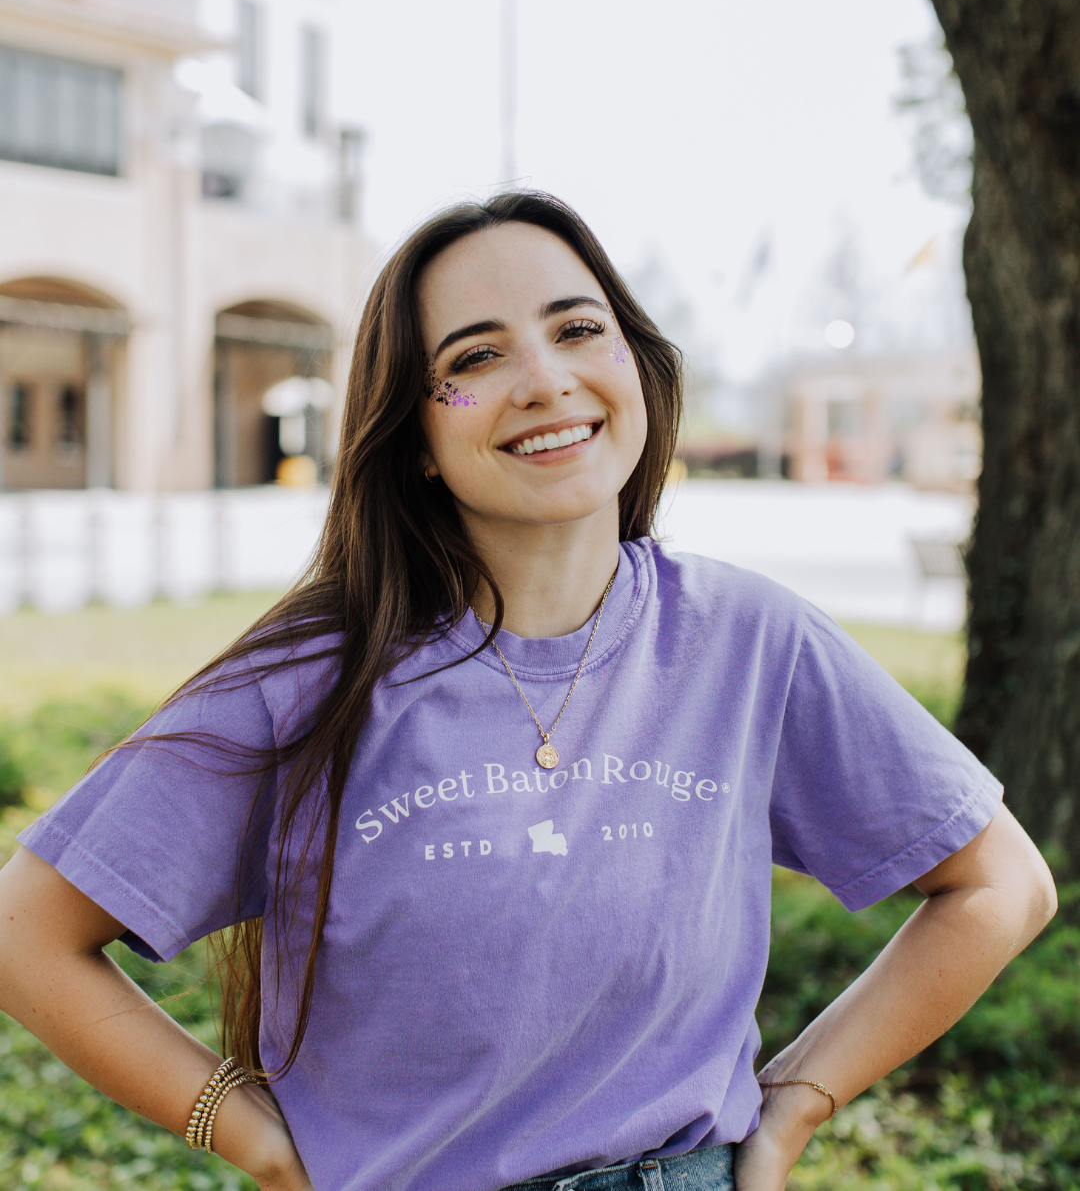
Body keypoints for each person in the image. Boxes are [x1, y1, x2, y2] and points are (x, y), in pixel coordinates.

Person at [0, 192, 1056, 1191]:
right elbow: (27, 934)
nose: (546, 380)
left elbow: (1001, 883)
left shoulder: (748, 641)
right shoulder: (311, 682)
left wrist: (797, 1100)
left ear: (635, 363)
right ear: (414, 433)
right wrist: (249, 1137)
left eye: (578, 329)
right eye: (475, 359)